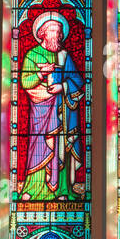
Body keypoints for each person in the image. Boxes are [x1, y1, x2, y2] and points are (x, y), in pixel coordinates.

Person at [19, 13, 83, 200]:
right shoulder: (32, 55)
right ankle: (33, 188)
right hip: (40, 110)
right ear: (42, 33)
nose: (56, 34)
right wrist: (40, 74)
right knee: (38, 146)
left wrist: (62, 87)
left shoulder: (64, 56)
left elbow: (77, 81)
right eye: (52, 30)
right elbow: (25, 81)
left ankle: (61, 189)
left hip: (61, 111)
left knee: (61, 147)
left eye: (59, 31)